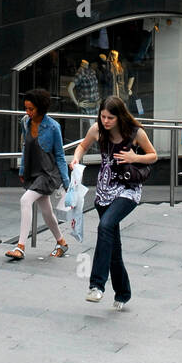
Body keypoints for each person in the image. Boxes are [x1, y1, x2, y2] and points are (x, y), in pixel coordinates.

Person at [69, 95, 157, 308]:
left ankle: (97, 285)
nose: (106, 121)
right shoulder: (97, 131)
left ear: (119, 117)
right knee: (112, 246)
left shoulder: (136, 133)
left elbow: (153, 155)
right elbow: (82, 146)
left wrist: (134, 158)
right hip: (104, 191)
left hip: (128, 191)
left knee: (105, 226)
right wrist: (76, 158)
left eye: (110, 117)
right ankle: (123, 293)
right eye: (103, 116)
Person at [5, 88, 70, 262]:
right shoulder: (25, 122)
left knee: (25, 200)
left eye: (31, 109)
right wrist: (21, 169)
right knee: (47, 211)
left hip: (48, 174)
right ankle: (61, 242)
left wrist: (66, 181)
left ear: (41, 108)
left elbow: (60, 156)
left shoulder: (53, 127)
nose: (27, 112)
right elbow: (25, 147)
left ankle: (20, 247)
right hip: (33, 172)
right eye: (26, 108)